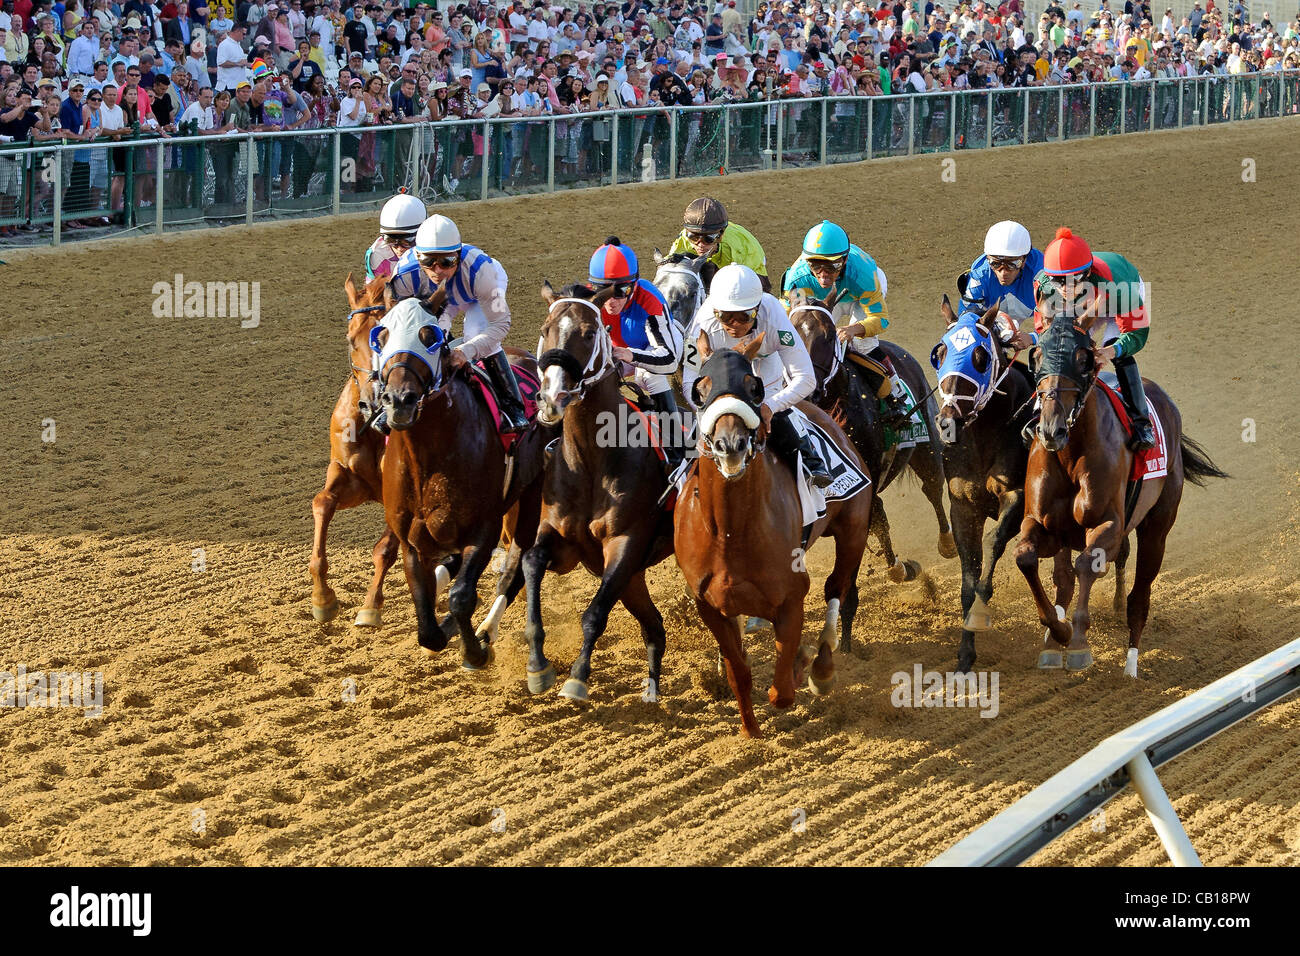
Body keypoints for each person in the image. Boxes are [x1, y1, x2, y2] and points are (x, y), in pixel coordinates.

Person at [682, 263, 833, 488]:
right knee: (693, 440)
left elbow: (807, 378)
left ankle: (809, 460)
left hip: (765, 368)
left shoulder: (775, 318)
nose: (734, 325)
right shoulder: (700, 327)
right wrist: (710, 410)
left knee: (777, 415)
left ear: (757, 309)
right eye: (725, 317)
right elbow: (688, 383)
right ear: (715, 312)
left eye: (744, 316)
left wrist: (770, 406)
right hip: (720, 382)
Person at [388, 214, 529, 431]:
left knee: (476, 333)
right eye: (428, 262)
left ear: (459, 256)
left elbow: (500, 325)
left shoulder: (483, 272)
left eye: (446, 262)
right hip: (439, 299)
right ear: (417, 256)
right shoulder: (403, 276)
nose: (438, 270)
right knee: (427, 337)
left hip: (474, 294)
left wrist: (467, 350)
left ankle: (512, 407)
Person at [1032, 227, 1155, 451]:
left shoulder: (1120, 288)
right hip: (1085, 305)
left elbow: (1137, 334)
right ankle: (1039, 409)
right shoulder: (1044, 286)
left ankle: (1141, 423)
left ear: (1087, 272)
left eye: (1073, 280)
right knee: (1060, 351)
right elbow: (1046, 335)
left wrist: (1111, 351)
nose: (1065, 288)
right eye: (1058, 281)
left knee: (1115, 351)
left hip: (1118, 296)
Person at [782, 220, 911, 428]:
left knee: (862, 344)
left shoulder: (864, 277)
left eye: (831, 266)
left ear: (843, 260)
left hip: (858, 294)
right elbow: (786, 320)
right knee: (808, 336)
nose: (823, 275)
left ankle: (896, 397)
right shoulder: (797, 280)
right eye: (816, 266)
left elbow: (881, 319)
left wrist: (854, 329)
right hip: (821, 298)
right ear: (807, 262)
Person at [586, 237, 685, 462]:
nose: (610, 300)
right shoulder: (589, 300)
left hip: (659, 347)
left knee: (651, 377)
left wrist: (630, 354)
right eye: (602, 289)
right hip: (619, 347)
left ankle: (676, 450)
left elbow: (669, 360)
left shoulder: (649, 300)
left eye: (621, 290)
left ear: (635, 285)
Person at [962, 220, 1046, 352]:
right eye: (996, 263)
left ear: (1024, 260)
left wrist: (1033, 338)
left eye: (1012, 264)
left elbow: (1064, 324)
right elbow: (965, 325)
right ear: (987, 258)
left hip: (1037, 305)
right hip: (994, 313)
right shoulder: (978, 278)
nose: (1003, 272)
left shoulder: (1042, 276)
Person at [666, 197, 770, 291]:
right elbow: (668, 272)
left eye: (708, 239)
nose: (700, 244)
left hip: (748, 263)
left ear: (721, 235)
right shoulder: (683, 239)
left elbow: (759, 288)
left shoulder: (738, 250)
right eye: (694, 237)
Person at [365, 190, 426, 281]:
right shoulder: (377, 256)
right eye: (391, 240)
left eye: (407, 241)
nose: (399, 249)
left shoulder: (434, 249)